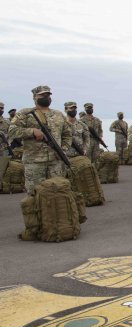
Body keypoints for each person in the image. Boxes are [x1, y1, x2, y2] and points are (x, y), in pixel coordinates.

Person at [9, 86, 71, 239]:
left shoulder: (58, 115)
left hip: (55, 161)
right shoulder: (26, 114)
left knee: (57, 193)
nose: (46, 97)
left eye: (48, 95)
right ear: (35, 97)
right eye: (42, 95)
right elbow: (12, 131)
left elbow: (67, 134)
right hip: (34, 161)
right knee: (34, 195)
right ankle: (35, 229)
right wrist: (31, 132)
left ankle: (56, 227)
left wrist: (63, 149)